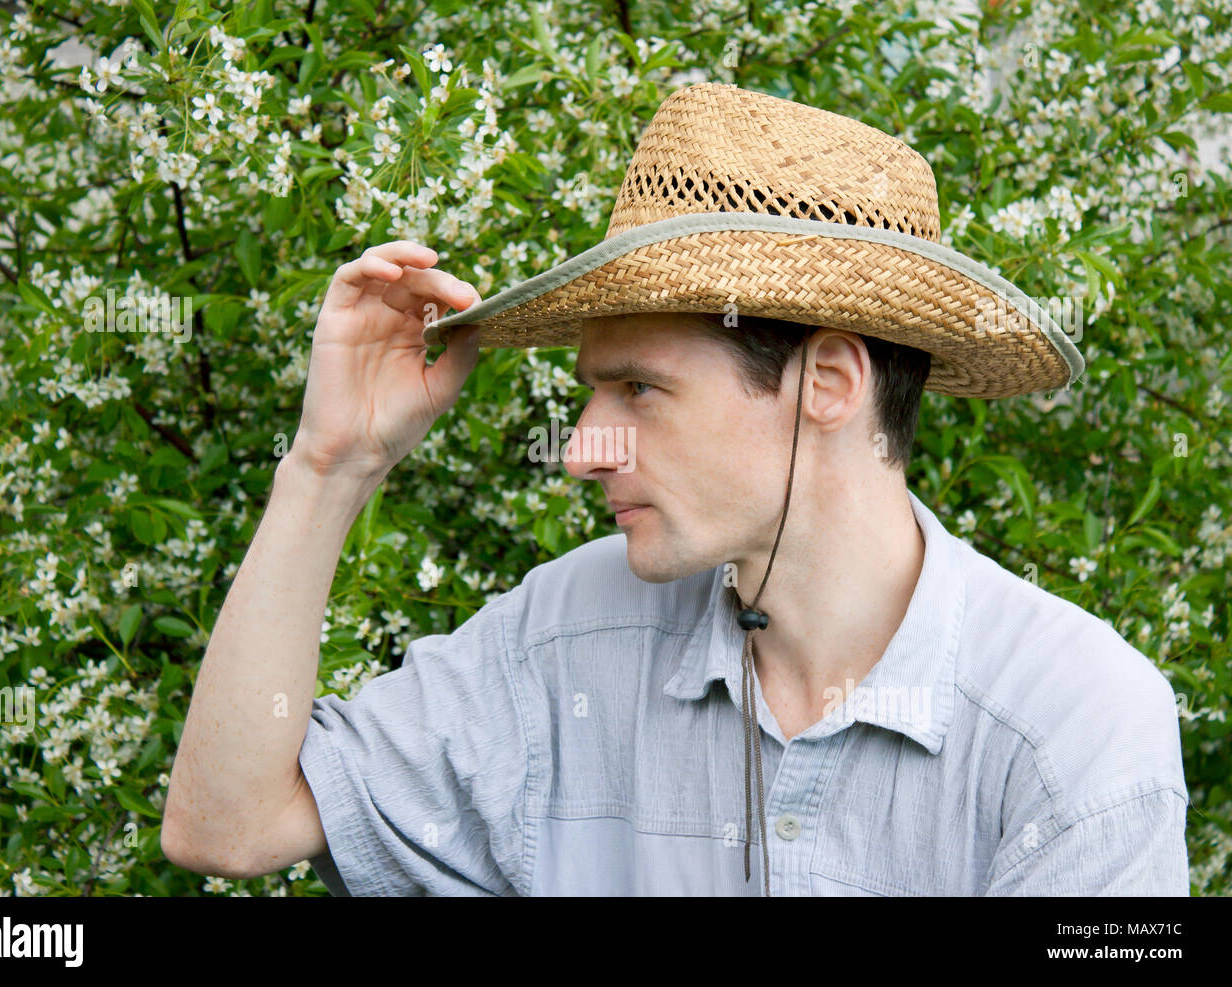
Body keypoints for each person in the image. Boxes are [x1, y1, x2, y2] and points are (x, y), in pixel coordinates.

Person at [162, 83, 1189, 895]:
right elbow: (229, 824)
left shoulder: (1072, 728)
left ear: (826, 384)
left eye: (639, 387)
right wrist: (331, 464)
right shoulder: (569, 636)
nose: (580, 449)